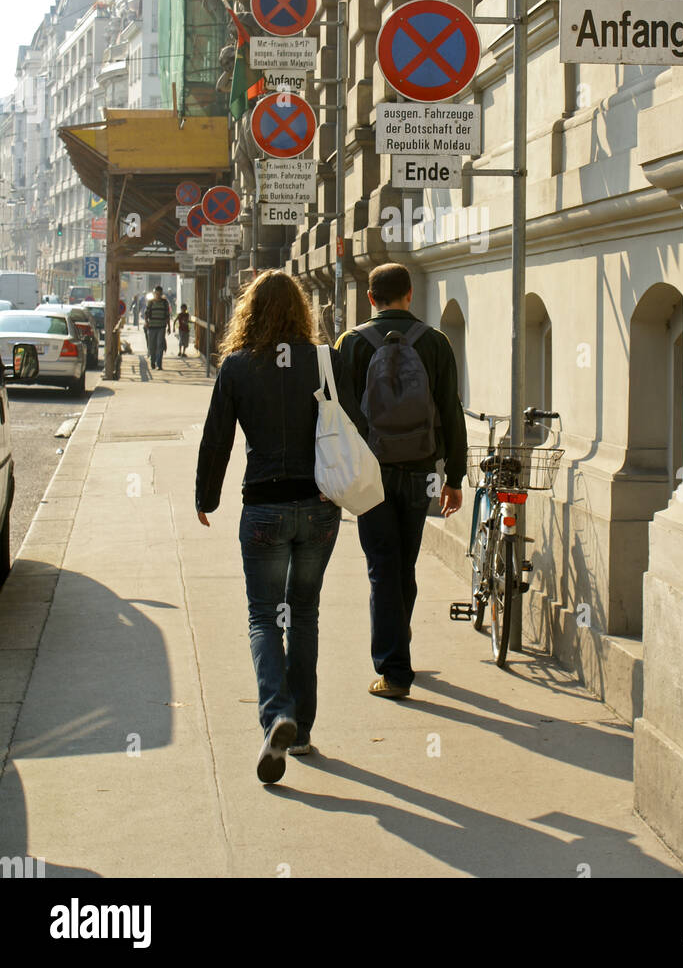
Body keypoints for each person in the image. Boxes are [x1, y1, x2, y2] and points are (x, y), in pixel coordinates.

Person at [195, 269, 369, 784]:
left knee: (264, 616)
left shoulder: (237, 367)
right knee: (306, 613)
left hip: (264, 508)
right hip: (319, 505)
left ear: (250, 311)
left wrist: (206, 496)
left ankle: (278, 715)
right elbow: (353, 423)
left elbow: (217, 438)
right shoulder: (323, 360)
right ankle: (305, 728)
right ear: (301, 310)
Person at [337, 262, 466, 700]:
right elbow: (451, 412)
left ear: (370, 298)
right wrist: (455, 476)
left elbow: (337, 417)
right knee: (404, 563)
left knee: (381, 568)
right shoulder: (436, 343)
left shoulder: (350, 344)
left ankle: (394, 670)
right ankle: (398, 645)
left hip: (369, 474)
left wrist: (332, 477)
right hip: (421, 471)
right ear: (411, 295)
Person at [144, 285, 170, 370]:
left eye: (159, 294)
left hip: (161, 327)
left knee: (160, 345)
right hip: (152, 326)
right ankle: (153, 361)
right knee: (152, 345)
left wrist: (169, 326)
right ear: (154, 293)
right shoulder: (150, 302)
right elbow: (146, 313)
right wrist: (146, 322)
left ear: (161, 294)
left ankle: (159, 364)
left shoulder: (165, 302)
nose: (158, 295)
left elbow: (167, 315)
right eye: (156, 293)